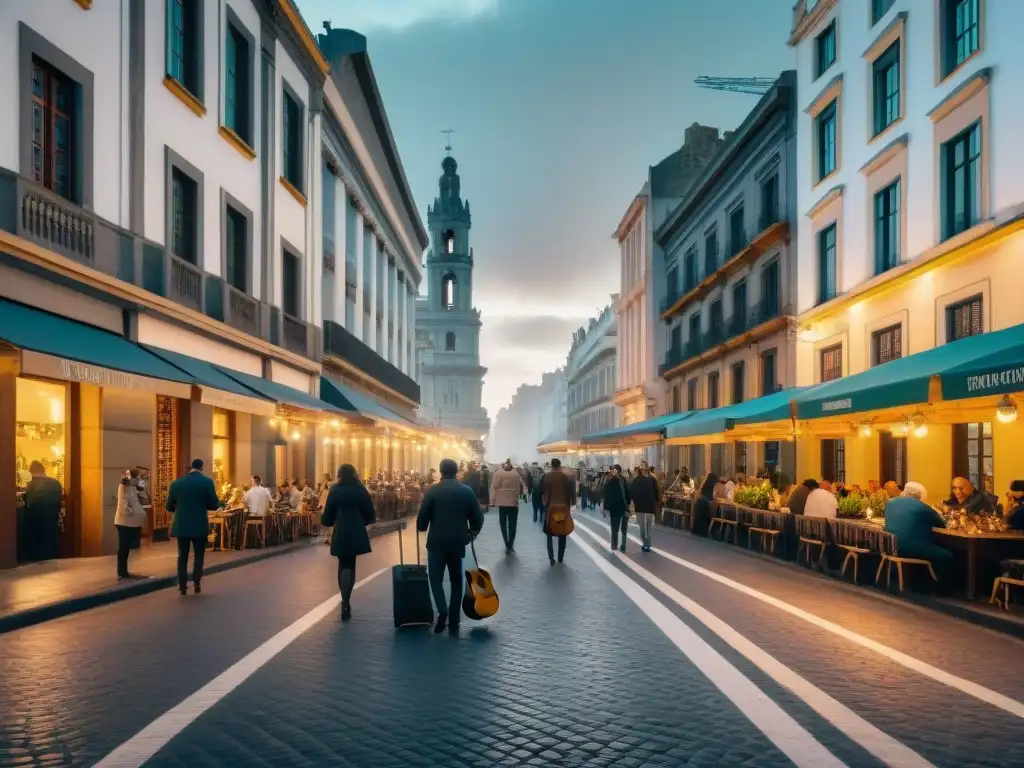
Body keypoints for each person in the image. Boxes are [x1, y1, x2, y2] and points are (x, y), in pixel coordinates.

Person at [417, 458, 484, 634]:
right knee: (456, 580)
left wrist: (422, 526)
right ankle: (454, 618)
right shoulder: (467, 491)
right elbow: (477, 518)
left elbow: (422, 518)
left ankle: (442, 610)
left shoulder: (432, 491)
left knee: (435, 579)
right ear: (456, 471)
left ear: (441, 471)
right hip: (458, 541)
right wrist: (472, 533)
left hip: (436, 542)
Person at [321, 464, 376, 621]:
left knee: (342, 563)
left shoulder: (335, 491)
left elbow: (327, 516)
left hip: (341, 530)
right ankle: (347, 600)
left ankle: (344, 601)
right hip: (356, 530)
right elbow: (370, 514)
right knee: (351, 563)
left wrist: (331, 520)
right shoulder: (360, 490)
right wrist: (361, 522)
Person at [166, 458, 220, 596]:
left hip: (182, 524)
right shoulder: (207, 482)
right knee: (198, 555)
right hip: (199, 524)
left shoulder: (177, 483)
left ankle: (182, 586)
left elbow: (169, 506)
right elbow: (213, 504)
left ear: (191, 468)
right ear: (201, 468)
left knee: (182, 556)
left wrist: (179, 509)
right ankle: (196, 583)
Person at [884, 481, 954, 588]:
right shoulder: (923, 507)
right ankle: (939, 588)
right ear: (921, 495)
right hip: (912, 547)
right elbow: (942, 525)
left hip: (891, 545)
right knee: (946, 556)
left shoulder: (891, 502)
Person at [21, 461, 63, 562]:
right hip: (52, 522)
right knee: (51, 550)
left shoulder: (32, 485)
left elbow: (29, 503)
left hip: (35, 525)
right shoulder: (56, 483)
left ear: (31, 472)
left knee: (37, 554)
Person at [541, 458, 576, 565]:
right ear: (560, 466)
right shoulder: (567, 477)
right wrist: (573, 502)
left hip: (550, 508)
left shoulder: (546, 476)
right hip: (563, 507)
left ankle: (551, 557)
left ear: (551, 466)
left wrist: (543, 501)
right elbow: (572, 492)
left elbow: (540, 490)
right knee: (562, 532)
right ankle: (560, 557)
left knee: (549, 532)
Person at [114, 468, 146, 579]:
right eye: (137, 477)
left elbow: (142, 496)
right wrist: (134, 512)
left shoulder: (133, 487)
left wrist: (141, 486)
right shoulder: (123, 486)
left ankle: (124, 571)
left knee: (126, 548)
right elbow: (124, 504)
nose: (139, 479)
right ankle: (121, 572)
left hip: (131, 521)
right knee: (123, 547)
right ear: (132, 477)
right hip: (124, 521)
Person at [491, 459, 526, 555]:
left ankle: (506, 541)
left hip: (502, 503)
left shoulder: (498, 473)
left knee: (502, 523)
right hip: (513, 503)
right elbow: (522, 486)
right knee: (512, 524)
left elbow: (495, 485)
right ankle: (511, 543)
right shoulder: (516, 474)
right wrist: (522, 494)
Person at [630, 465, 660, 552]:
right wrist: (656, 503)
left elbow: (632, 493)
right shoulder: (652, 480)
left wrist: (635, 502)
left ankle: (646, 543)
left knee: (644, 527)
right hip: (647, 508)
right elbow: (657, 493)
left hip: (642, 508)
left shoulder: (637, 481)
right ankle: (646, 543)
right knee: (646, 527)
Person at [602, 464, 631, 552]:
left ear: (618, 472)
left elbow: (627, 492)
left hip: (623, 507)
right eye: (612, 470)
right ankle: (614, 545)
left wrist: (628, 504)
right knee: (614, 527)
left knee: (624, 528)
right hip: (614, 508)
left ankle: (623, 546)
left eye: (614, 470)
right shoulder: (609, 480)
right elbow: (605, 491)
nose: (613, 471)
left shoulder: (623, 480)